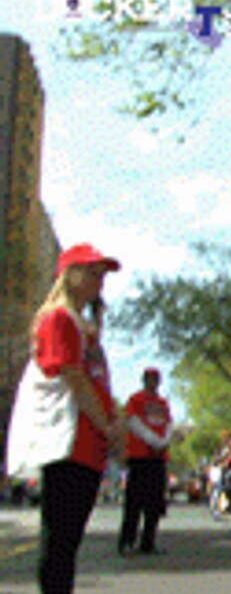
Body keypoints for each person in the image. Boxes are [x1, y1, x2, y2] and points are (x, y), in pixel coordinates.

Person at [5, 243, 124, 594]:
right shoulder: (58, 319)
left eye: (101, 275)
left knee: (68, 542)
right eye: (91, 272)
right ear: (67, 275)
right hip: (69, 442)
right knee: (59, 541)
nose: (98, 281)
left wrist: (111, 424)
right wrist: (105, 424)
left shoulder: (82, 327)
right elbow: (73, 378)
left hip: (88, 443)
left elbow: (97, 381)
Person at [118, 366, 173, 556]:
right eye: (149, 378)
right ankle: (127, 541)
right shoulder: (136, 400)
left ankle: (148, 542)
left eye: (156, 379)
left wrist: (164, 442)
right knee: (134, 502)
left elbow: (169, 424)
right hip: (139, 456)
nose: (153, 382)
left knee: (155, 503)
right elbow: (133, 422)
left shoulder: (163, 403)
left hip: (158, 458)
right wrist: (153, 440)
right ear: (144, 380)